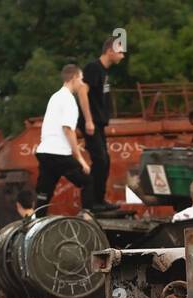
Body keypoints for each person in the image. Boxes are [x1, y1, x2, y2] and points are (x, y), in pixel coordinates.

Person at [34, 64, 91, 217]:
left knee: (44, 192)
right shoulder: (70, 101)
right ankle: (89, 215)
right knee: (88, 181)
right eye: (81, 79)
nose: (82, 83)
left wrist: (69, 144)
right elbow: (67, 129)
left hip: (45, 152)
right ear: (73, 78)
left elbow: (55, 128)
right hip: (58, 155)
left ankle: (35, 222)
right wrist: (79, 158)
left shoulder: (55, 97)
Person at [79, 37, 126, 213]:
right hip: (91, 123)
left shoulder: (105, 72)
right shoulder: (93, 68)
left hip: (99, 123)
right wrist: (88, 120)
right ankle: (91, 203)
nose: (122, 55)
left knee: (104, 161)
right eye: (120, 51)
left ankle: (98, 200)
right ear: (110, 51)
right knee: (100, 160)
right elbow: (82, 92)